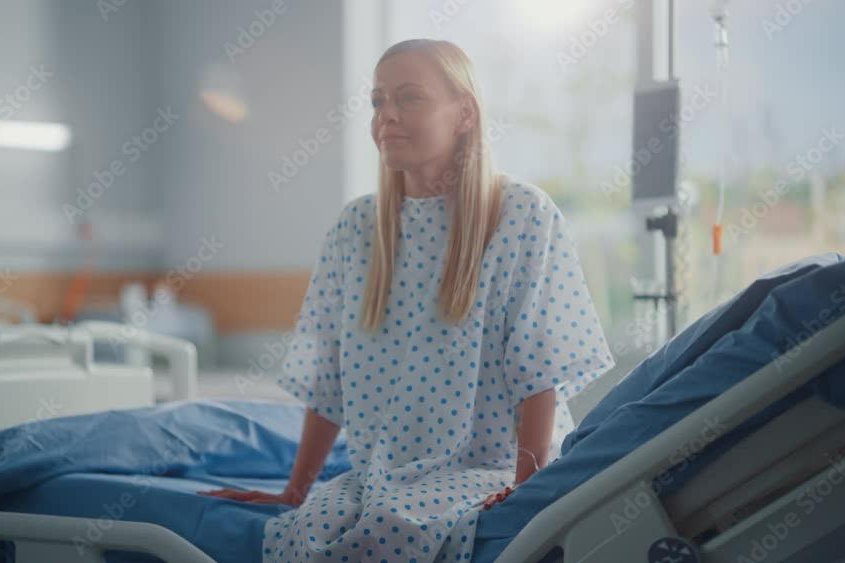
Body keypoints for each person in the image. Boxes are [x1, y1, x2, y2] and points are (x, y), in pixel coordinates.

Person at [199, 38, 615, 562]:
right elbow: (327, 384)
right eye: (377, 101)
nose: (386, 116)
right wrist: (295, 492)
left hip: (494, 468)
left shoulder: (522, 215)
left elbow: (540, 371)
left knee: (389, 525)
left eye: (410, 98)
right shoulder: (356, 229)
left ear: (465, 113)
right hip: (387, 470)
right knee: (317, 524)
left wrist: (526, 493)